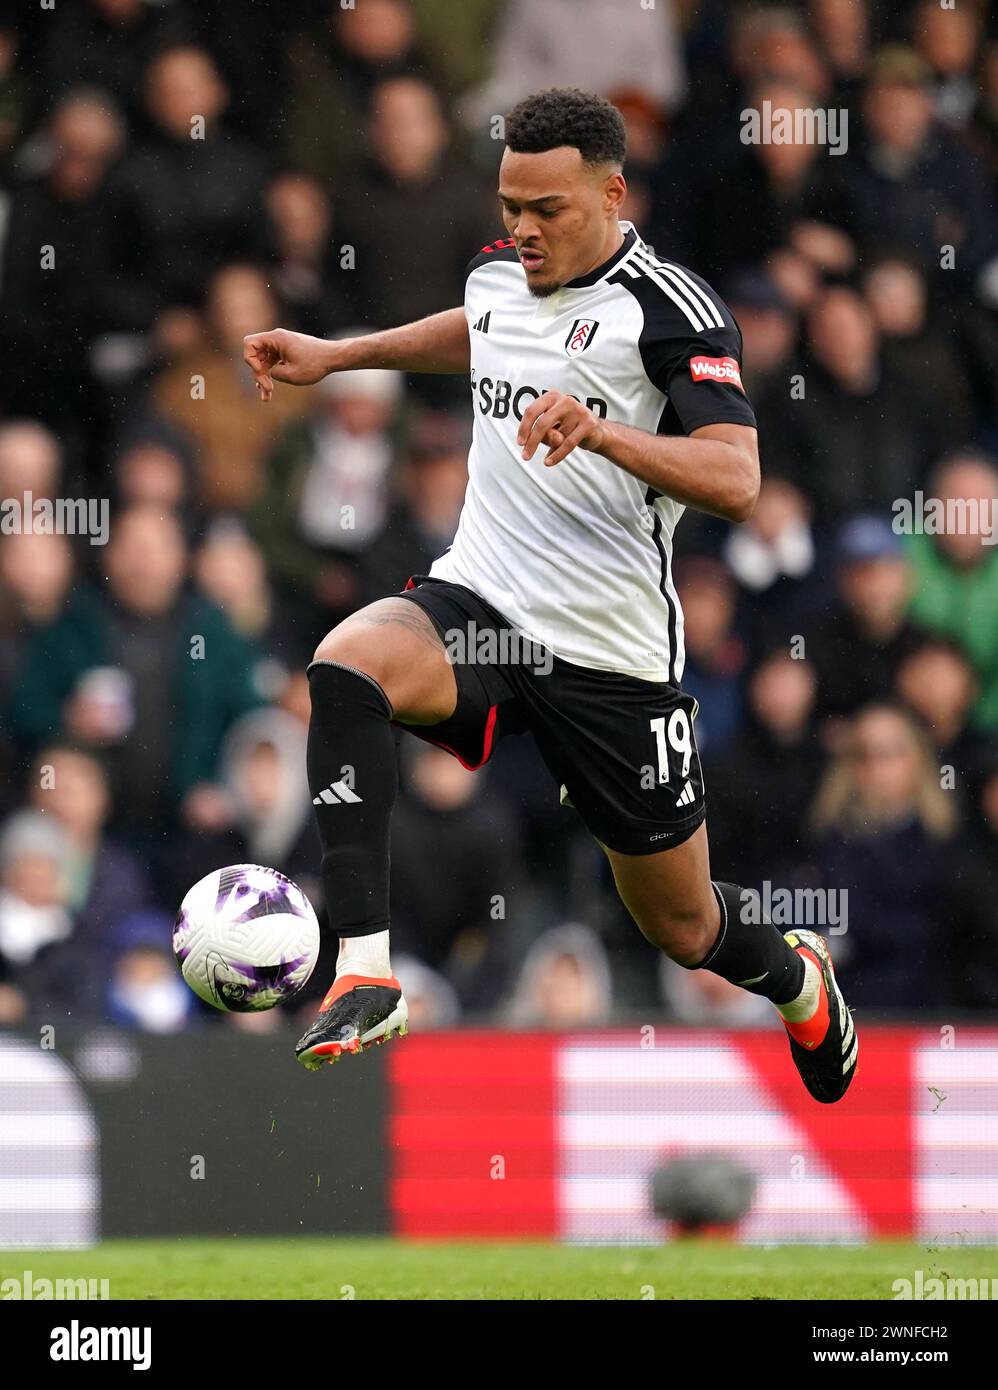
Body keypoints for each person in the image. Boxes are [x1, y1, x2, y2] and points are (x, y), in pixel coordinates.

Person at [244, 89, 857, 1103]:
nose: (521, 229)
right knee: (346, 664)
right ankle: (362, 967)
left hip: (610, 658)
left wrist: (606, 431)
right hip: (480, 604)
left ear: (611, 193)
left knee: (682, 923)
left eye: (547, 209)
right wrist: (340, 355)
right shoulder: (499, 273)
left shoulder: (671, 310)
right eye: (508, 205)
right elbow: (477, 329)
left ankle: (796, 980)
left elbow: (737, 480)